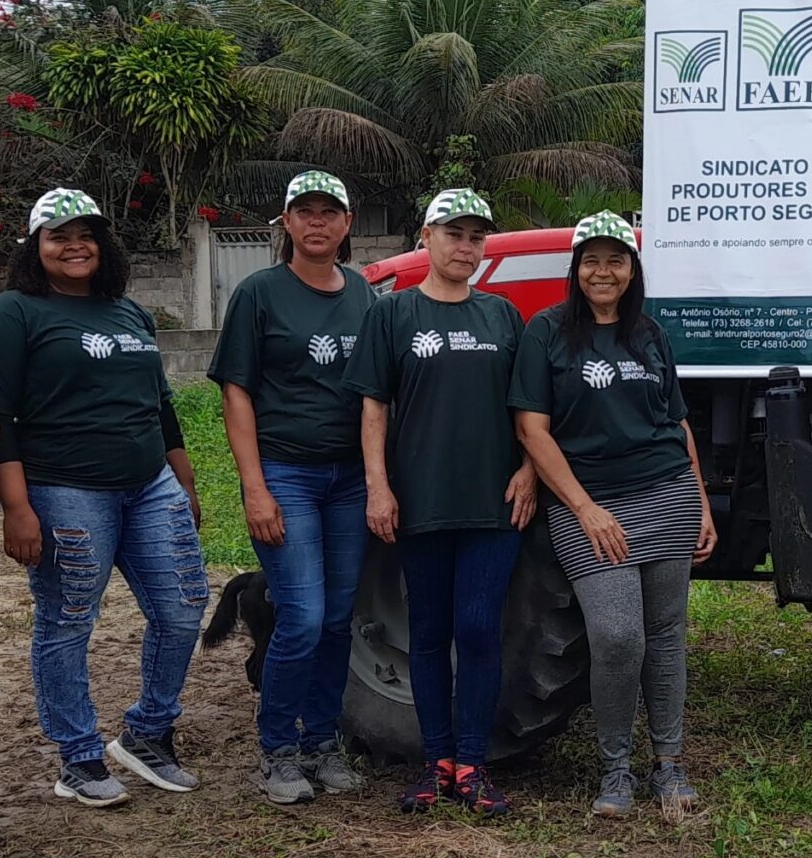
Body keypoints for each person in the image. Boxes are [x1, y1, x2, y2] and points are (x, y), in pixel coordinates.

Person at [0, 189, 207, 809]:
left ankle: (148, 732)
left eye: (86, 233)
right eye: (58, 235)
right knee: (68, 621)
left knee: (184, 607)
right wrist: (16, 506)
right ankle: (78, 757)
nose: (74, 244)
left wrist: (183, 480)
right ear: (36, 246)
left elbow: (160, 406)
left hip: (149, 485)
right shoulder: (14, 312)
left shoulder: (128, 312)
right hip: (64, 489)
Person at [511, 211, 716, 821]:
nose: (604, 271)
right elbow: (531, 427)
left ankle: (669, 764)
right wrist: (585, 509)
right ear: (575, 270)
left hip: (666, 495)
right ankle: (615, 768)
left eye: (616, 260)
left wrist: (700, 501)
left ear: (632, 270)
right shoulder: (546, 332)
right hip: (589, 503)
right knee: (618, 635)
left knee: (666, 635)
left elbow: (676, 422)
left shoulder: (649, 334)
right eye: (592, 260)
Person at [347, 187, 537, 818]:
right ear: (425, 237)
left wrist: (531, 471)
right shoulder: (392, 315)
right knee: (428, 633)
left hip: (492, 504)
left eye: (476, 236)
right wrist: (378, 485)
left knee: (479, 632)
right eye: (454, 233)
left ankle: (473, 766)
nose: (466, 246)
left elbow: (531, 409)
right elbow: (373, 408)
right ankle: (435, 765)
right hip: (420, 502)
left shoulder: (503, 316)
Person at [209, 170, 374, 806]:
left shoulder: (364, 297)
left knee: (337, 621)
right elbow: (236, 393)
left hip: (351, 480)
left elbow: (375, 397)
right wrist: (254, 486)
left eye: (329, 212)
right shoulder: (259, 294)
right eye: (304, 211)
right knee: (301, 617)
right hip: (287, 475)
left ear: (346, 224)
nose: (317, 222)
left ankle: (322, 742)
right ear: (286, 224)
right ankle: (278, 747)